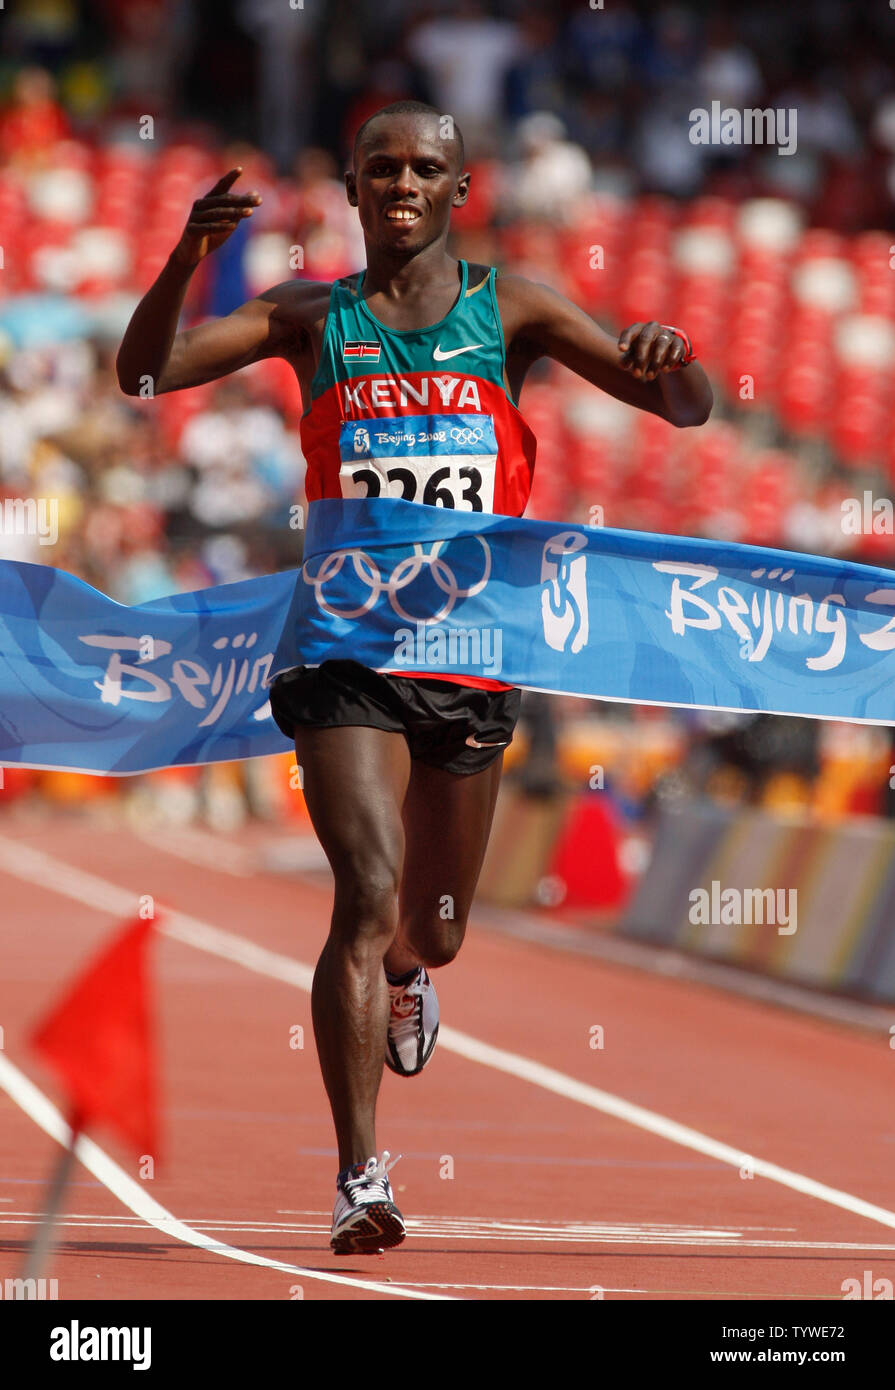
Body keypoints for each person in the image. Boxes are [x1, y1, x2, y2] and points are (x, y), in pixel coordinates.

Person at [116, 99, 713, 1255]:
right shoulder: (308, 316)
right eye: (378, 168)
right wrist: (187, 257)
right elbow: (144, 377)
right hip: (345, 646)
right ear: (349, 190)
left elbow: (684, 410)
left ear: (458, 191)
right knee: (365, 888)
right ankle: (359, 1176)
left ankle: (407, 972)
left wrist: (673, 361)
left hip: (473, 657)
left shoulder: (515, 310)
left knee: (431, 928)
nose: (399, 183)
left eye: (422, 168)